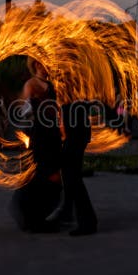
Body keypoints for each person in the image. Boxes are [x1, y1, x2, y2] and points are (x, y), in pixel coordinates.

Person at [9, 57, 63, 232]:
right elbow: (23, 113)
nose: (49, 66)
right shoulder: (31, 85)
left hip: (52, 135)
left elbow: (57, 110)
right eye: (45, 63)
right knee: (41, 174)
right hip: (40, 136)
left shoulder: (53, 85)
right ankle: (30, 216)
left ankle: (39, 215)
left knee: (53, 175)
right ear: (37, 65)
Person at [49, 99, 98, 236]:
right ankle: (69, 213)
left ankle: (88, 222)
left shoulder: (73, 86)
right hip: (75, 131)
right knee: (69, 176)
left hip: (76, 132)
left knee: (73, 178)